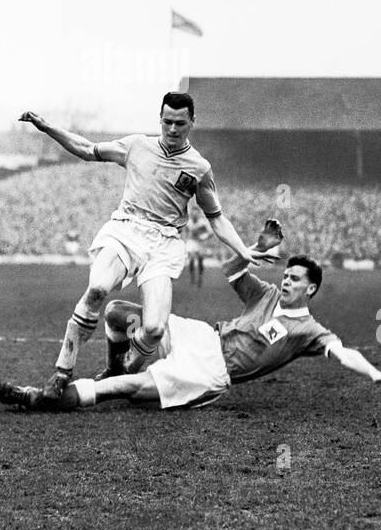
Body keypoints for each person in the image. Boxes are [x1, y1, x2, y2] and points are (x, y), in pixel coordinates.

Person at [0, 219, 381, 412]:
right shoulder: (267, 294)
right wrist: (253, 248)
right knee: (118, 311)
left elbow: (343, 351)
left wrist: (374, 373)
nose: (288, 280)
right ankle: (113, 365)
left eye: (296, 279)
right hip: (202, 335)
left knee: (122, 391)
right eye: (287, 274)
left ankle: (36, 397)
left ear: (311, 288)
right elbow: (231, 272)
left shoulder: (309, 329)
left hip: (211, 372)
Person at [18, 92, 261, 398]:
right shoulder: (137, 146)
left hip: (164, 244)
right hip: (127, 230)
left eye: (180, 123)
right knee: (97, 289)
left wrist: (243, 250)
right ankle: (62, 372)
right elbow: (86, 149)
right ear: (160, 119)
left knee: (155, 329)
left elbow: (217, 218)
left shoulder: (199, 168)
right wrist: (47, 127)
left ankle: (122, 371)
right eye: (167, 122)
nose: (172, 129)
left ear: (192, 123)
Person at [184, 205, 211, 288]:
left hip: (199, 242)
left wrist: (203, 236)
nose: (194, 214)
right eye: (193, 213)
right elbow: (185, 232)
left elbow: (210, 232)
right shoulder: (188, 222)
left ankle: (200, 276)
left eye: (196, 212)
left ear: (199, 213)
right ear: (191, 213)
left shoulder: (202, 222)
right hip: (191, 242)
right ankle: (192, 275)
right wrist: (185, 241)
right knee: (191, 258)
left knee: (200, 258)